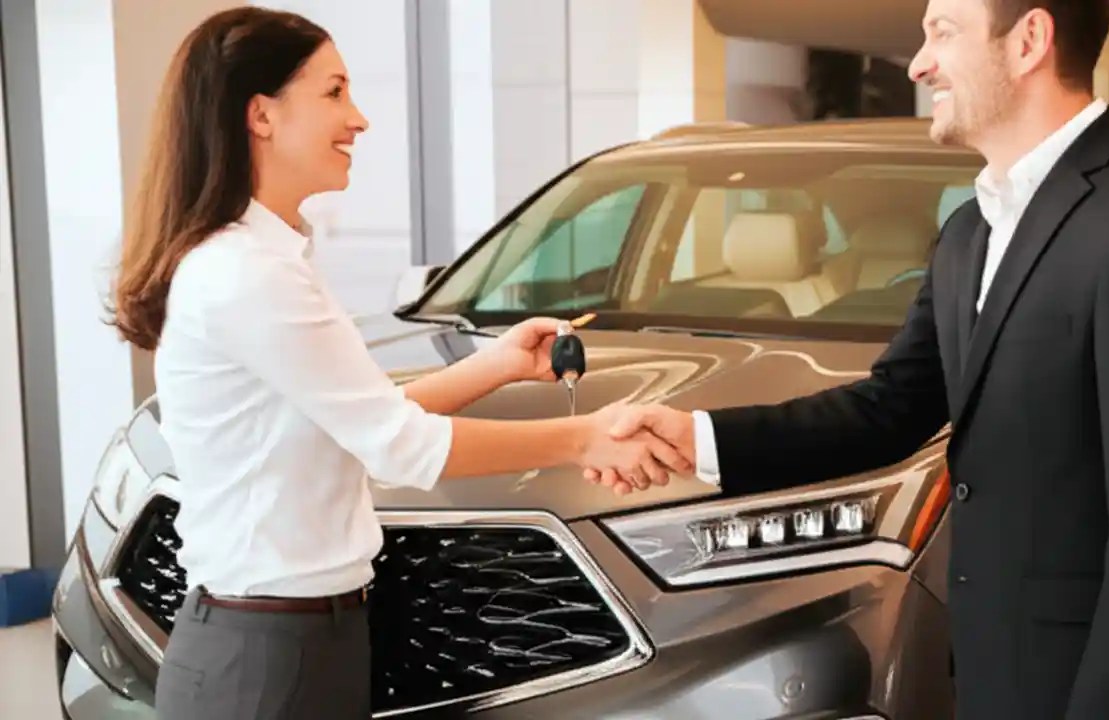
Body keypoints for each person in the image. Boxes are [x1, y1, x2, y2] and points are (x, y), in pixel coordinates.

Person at [587, 0, 1109, 718]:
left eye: (943, 32)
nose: (918, 63)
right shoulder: (971, 230)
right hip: (1004, 672)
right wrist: (696, 438)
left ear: (1029, 40)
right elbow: (890, 408)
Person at [108, 8, 686, 720]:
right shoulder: (246, 273)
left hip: (299, 640)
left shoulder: (266, 259)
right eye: (334, 93)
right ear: (261, 115)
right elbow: (399, 445)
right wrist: (582, 437)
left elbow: (361, 417)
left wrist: (498, 365)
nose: (359, 119)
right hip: (262, 655)